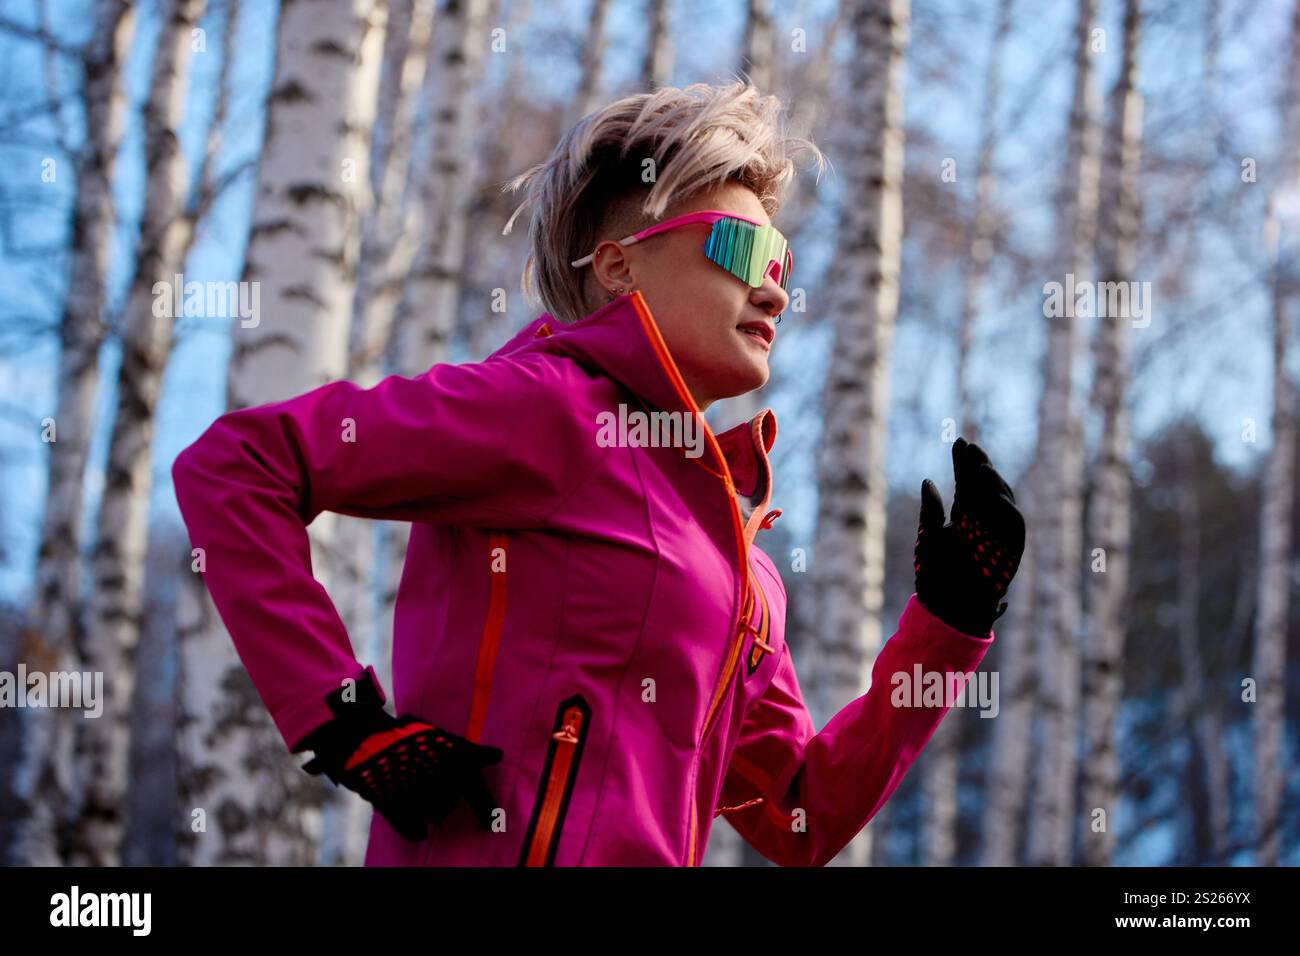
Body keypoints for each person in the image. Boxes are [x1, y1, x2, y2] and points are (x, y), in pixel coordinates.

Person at [171, 80, 1025, 867]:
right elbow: (237, 466)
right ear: (619, 269)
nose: (771, 291)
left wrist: (948, 625)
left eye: (781, 265)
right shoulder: (547, 409)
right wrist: (343, 719)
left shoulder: (743, 565)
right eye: (738, 247)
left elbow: (796, 813)